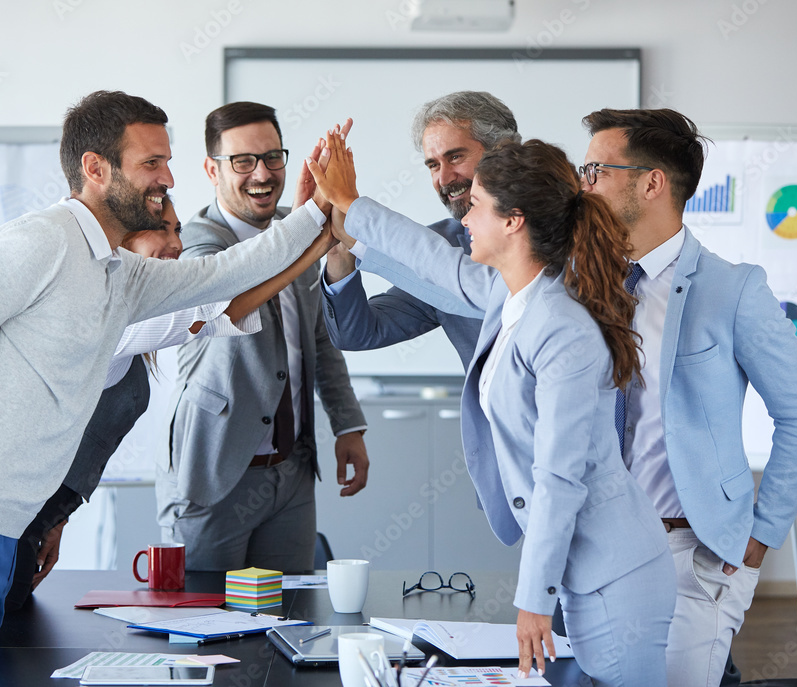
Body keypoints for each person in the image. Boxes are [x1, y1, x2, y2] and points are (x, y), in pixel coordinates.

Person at [0, 90, 331, 687]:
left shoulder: (120, 274)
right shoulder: (37, 242)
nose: (168, 177)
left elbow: (225, 276)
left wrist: (314, 217)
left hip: (2, 531)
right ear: (96, 168)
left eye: (166, 161)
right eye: (151, 163)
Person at [308, 131, 676, 686]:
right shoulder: (517, 295)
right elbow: (433, 264)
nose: (465, 220)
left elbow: (559, 477)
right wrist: (350, 218)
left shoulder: (561, 328)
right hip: (590, 569)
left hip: (618, 576)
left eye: (476, 205)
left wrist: (532, 601)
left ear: (513, 222)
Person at [579, 108, 797, 686]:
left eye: (596, 168)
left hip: (688, 554)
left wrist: (757, 542)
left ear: (651, 182)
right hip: (594, 552)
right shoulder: (583, 284)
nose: (582, 182)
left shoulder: (732, 289)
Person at [6, 196, 337, 609]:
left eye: (177, 229)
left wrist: (57, 516)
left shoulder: (131, 310)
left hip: (38, 511)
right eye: (160, 228)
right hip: (5, 510)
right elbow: (226, 305)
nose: (176, 243)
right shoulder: (108, 314)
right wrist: (312, 245)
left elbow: (77, 436)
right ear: (121, 237)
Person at [156, 102, 368, 573]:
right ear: (212, 169)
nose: (262, 173)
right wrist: (312, 229)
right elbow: (235, 294)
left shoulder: (300, 226)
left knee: (288, 624)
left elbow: (319, 337)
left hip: (291, 472)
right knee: (206, 629)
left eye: (273, 157)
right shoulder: (193, 240)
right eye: (243, 161)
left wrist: (347, 423)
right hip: (214, 469)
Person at [321, 91, 520, 369]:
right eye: (433, 165)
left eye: (455, 157)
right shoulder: (446, 241)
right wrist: (340, 251)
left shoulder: (554, 230)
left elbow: (486, 291)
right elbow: (357, 334)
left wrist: (353, 217)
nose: (444, 178)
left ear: (503, 152)